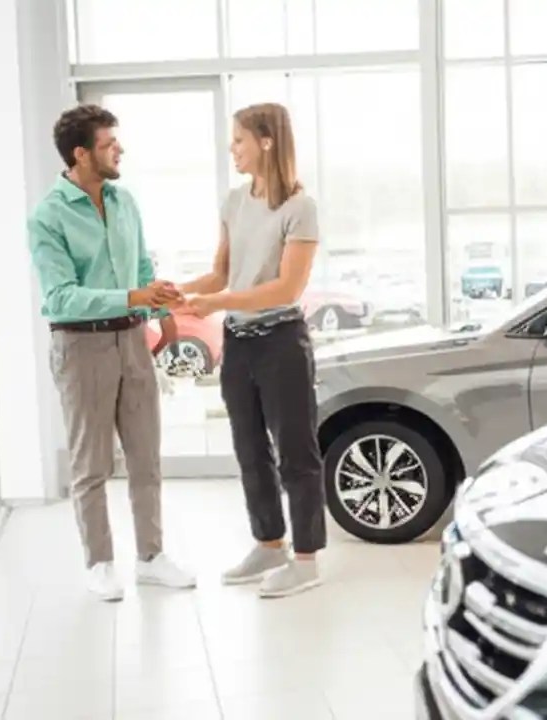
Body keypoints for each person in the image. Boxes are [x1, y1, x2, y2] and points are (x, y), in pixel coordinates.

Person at [28, 103, 196, 601]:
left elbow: (140, 265)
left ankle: (151, 556)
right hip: (81, 347)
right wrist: (132, 297)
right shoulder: (47, 216)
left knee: (146, 456)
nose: (119, 149)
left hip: (132, 340)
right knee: (91, 463)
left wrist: (158, 304)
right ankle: (100, 562)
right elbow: (60, 297)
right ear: (81, 154)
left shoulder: (124, 203)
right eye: (108, 144)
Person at [179, 102, 325, 598]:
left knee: (297, 453)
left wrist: (215, 301)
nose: (232, 150)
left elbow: (286, 289)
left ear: (266, 141)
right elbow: (221, 273)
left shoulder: (300, 208)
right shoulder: (234, 202)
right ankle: (269, 542)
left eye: (239, 140)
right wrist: (175, 293)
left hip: (282, 341)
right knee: (249, 449)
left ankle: (306, 559)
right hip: (238, 344)